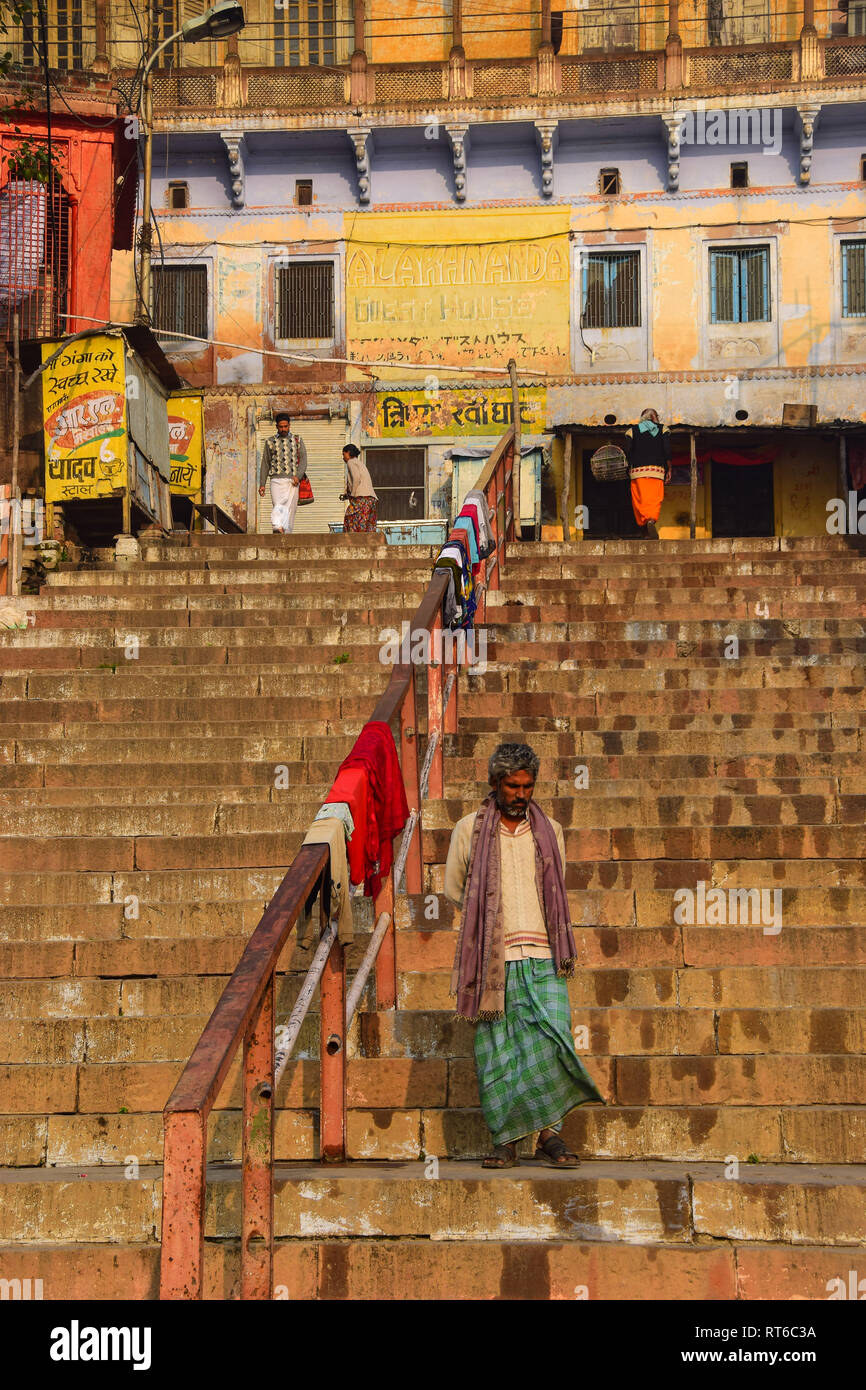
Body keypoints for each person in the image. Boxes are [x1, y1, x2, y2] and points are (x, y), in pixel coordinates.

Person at [444, 742, 605, 1169]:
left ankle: (549, 1136)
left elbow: (558, 885)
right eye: (512, 786)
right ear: (495, 784)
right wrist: (487, 917)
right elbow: (455, 888)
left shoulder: (549, 829)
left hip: (544, 953)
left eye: (527, 786)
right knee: (499, 1050)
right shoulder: (468, 830)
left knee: (553, 1041)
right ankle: (506, 1139)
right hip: (493, 959)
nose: (521, 794)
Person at [625, 406, 671, 541]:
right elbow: (667, 450)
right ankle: (651, 519)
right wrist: (669, 469)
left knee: (639, 500)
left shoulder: (631, 431)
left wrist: (628, 468)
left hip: (637, 472)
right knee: (655, 498)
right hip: (657, 471)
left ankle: (644, 528)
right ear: (654, 418)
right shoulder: (663, 429)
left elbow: (628, 452)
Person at [258, 412, 307, 534]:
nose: (283, 429)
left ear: (289, 425)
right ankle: (277, 528)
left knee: (290, 510)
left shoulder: (297, 440)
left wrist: (298, 476)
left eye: (286, 426)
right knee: (278, 506)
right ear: (276, 427)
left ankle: (286, 534)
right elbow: (265, 463)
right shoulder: (270, 442)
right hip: (276, 480)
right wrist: (262, 484)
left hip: (292, 482)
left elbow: (304, 460)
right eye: (281, 427)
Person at [339, 443, 378, 533]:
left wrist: (352, 494)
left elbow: (356, 478)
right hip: (371, 500)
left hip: (362, 499)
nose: (343, 457)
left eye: (344, 454)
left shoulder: (351, 462)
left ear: (348, 453)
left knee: (350, 520)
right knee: (368, 528)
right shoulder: (359, 463)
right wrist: (346, 495)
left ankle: (353, 544)